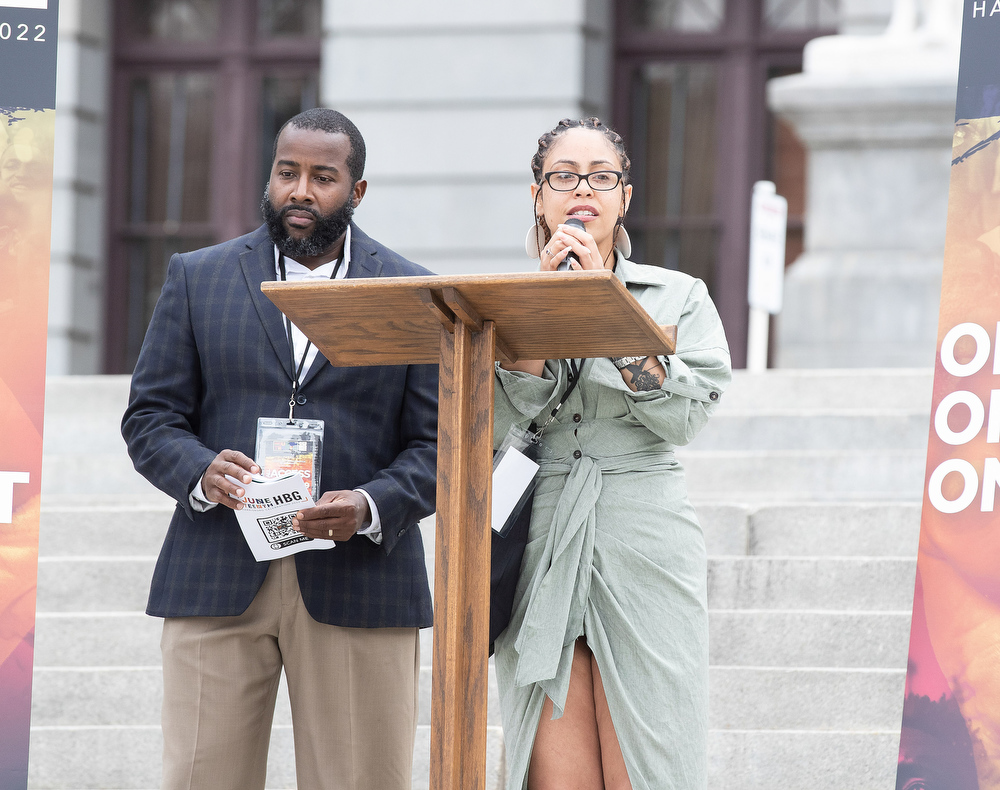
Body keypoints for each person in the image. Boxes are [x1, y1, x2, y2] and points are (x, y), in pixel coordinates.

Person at [121, 108, 438, 790]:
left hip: (361, 581)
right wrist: (202, 472)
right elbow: (150, 418)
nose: (300, 191)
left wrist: (370, 503)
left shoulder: (413, 294)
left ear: (356, 192)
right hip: (216, 574)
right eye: (287, 173)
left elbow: (439, 446)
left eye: (323, 177)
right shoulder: (196, 277)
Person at [492, 117, 732, 790]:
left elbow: (685, 416)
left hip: (643, 530)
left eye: (602, 177)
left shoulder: (679, 294)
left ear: (625, 197)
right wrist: (537, 312)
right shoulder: (503, 307)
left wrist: (605, 301)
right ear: (538, 196)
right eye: (563, 177)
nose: (582, 192)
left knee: (650, 755)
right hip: (541, 530)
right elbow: (485, 428)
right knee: (554, 770)